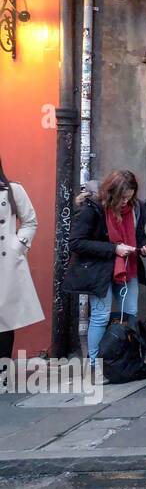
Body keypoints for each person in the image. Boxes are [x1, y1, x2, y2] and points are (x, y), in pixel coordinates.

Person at [64, 170, 146, 368]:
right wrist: (114, 248)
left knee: (130, 313)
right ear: (110, 193)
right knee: (100, 315)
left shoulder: (137, 208)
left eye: (129, 197)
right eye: (122, 197)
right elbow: (76, 242)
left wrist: (144, 247)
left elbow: (138, 235)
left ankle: (126, 360)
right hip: (99, 270)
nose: (125, 201)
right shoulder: (93, 208)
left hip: (128, 266)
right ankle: (95, 364)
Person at [0, 158, 43, 371]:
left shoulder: (12, 190)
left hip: (4, 263)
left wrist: (17, 245)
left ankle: (2, 372)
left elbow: (30, 221)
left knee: (4, 320)